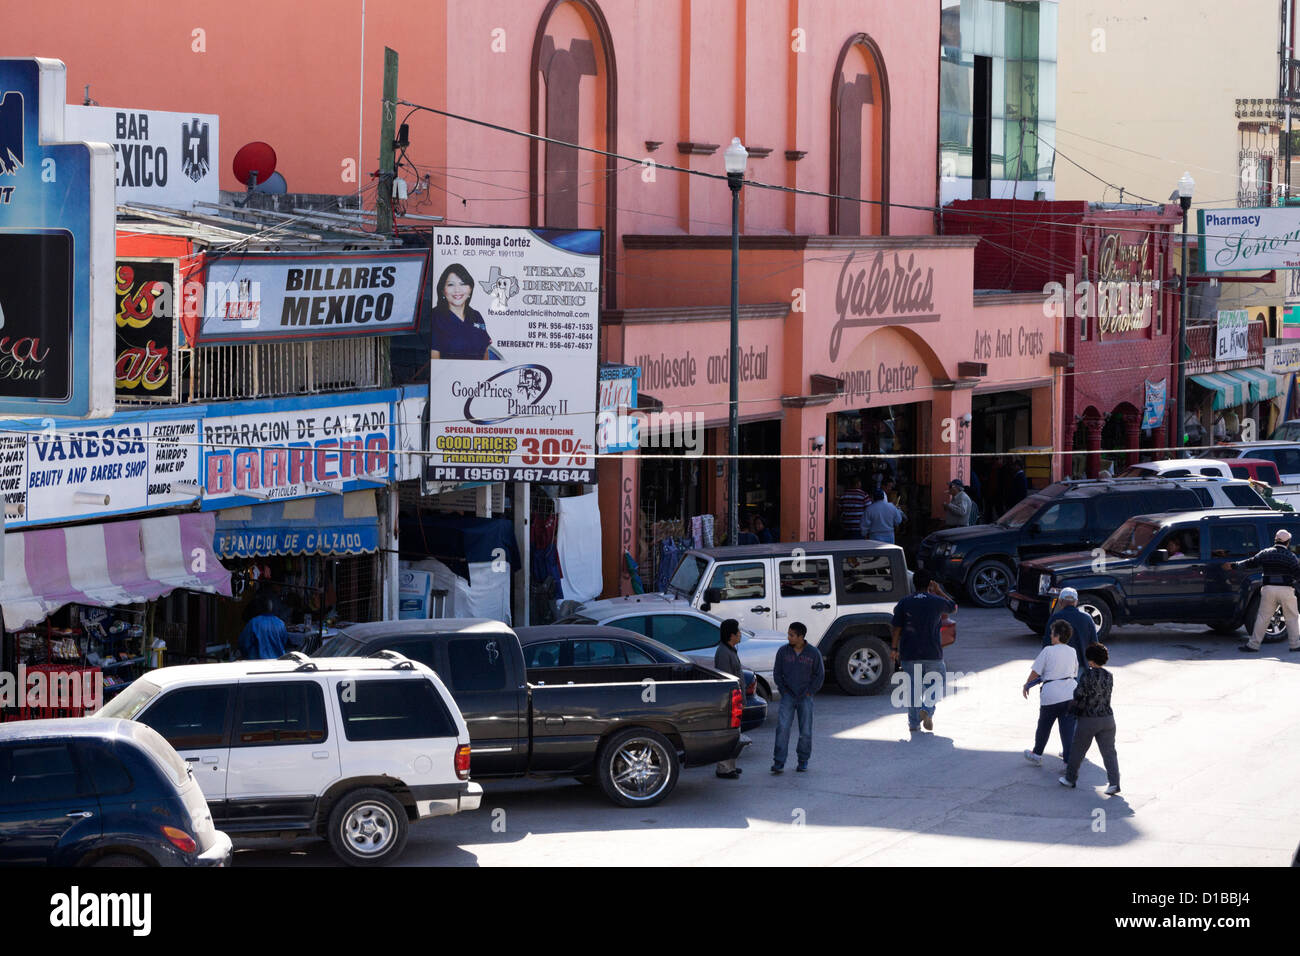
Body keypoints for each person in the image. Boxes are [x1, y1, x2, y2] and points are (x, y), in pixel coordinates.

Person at [891, 569, 956, 732]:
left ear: (913, 584)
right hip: (932, 653)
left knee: (913, 689)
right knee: (937, 683)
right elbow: (953, 607)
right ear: (929, 584)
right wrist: (939, 591)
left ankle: (914, 724)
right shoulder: (936, 600)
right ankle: (927, 709)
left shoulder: (904, 602)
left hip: (909, 653)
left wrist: (893, 648)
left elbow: (897, 628)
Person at [1060, 642, 1121, 795]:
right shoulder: (1109, 675)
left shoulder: (1087, 674)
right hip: (1108, 718)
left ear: (1091, 660)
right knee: (1109, 752)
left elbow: (1079, 694)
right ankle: (1114, 783)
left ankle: (1070, 779)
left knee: (1078, 750)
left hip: (1089, 718)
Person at [1226, 528, 1300, 653]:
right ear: (1287, 542)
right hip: (1286, 590)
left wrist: (1234, 565)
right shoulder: (1291, 556)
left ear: (1275, 540)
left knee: (1262, 617)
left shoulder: (1266, 552)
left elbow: (1250, 562)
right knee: (1291, 617)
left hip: (1268, 589)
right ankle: (1295, 645)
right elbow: (1298, 574)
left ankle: (1253, 645)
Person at [1023, 619, 1079, 768]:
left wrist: (1026, 684)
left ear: (1058, 635)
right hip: (1070, 694)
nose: (1050, 636)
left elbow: (1036, 672)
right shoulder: (1072, 651)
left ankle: (1037, 753)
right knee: (1067, 730)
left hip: (1051, 695)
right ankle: (1068, 759)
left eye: (1052, 633)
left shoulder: (1048, 650)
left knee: (1044, 726)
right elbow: (1074, 672)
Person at [771, 621, 823, 773]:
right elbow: (777, 673)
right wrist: (783, 690)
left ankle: (803, 760)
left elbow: (819, 675)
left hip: (805, 697)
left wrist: (809, 692)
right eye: (788, 634)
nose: (789, 638)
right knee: (782, 728)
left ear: (801, 637)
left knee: (805, 730)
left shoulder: (813, 653)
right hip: (788, 696)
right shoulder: (783, 652)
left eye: (792, 635)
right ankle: (779, 762)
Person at [430, 263, 493, 360]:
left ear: (470, 289)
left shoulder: (476, 316)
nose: (457, 290)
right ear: (443, 290)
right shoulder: (434, 317)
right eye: (451, 285)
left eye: (462, 284)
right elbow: (434, 360)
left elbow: (485, 351)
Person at [1042, 586, 1099, 679]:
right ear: (1076, 602)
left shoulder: (1055, 618)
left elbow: (1047, 644)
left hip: (1059, 668)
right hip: (1081, 666)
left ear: (1060, 602)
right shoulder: (1087, 618)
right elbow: (1095, 644)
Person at [714, 619, 745, 779]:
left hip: (736, 701)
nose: (740, 634)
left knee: (735, 735)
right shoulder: (723, 653)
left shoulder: (730, 650)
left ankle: (731, 766)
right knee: (728, 735)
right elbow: (727, 680)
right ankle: (724, 769)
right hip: (730, 702)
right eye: (738, 631)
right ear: (731, 635)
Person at [239, 596, 289, 660]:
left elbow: (244, 643)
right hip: (277, 661)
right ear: (271, 608)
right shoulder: (280, 623)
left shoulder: (253, 622)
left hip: (258, 662)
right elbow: (284, 641)